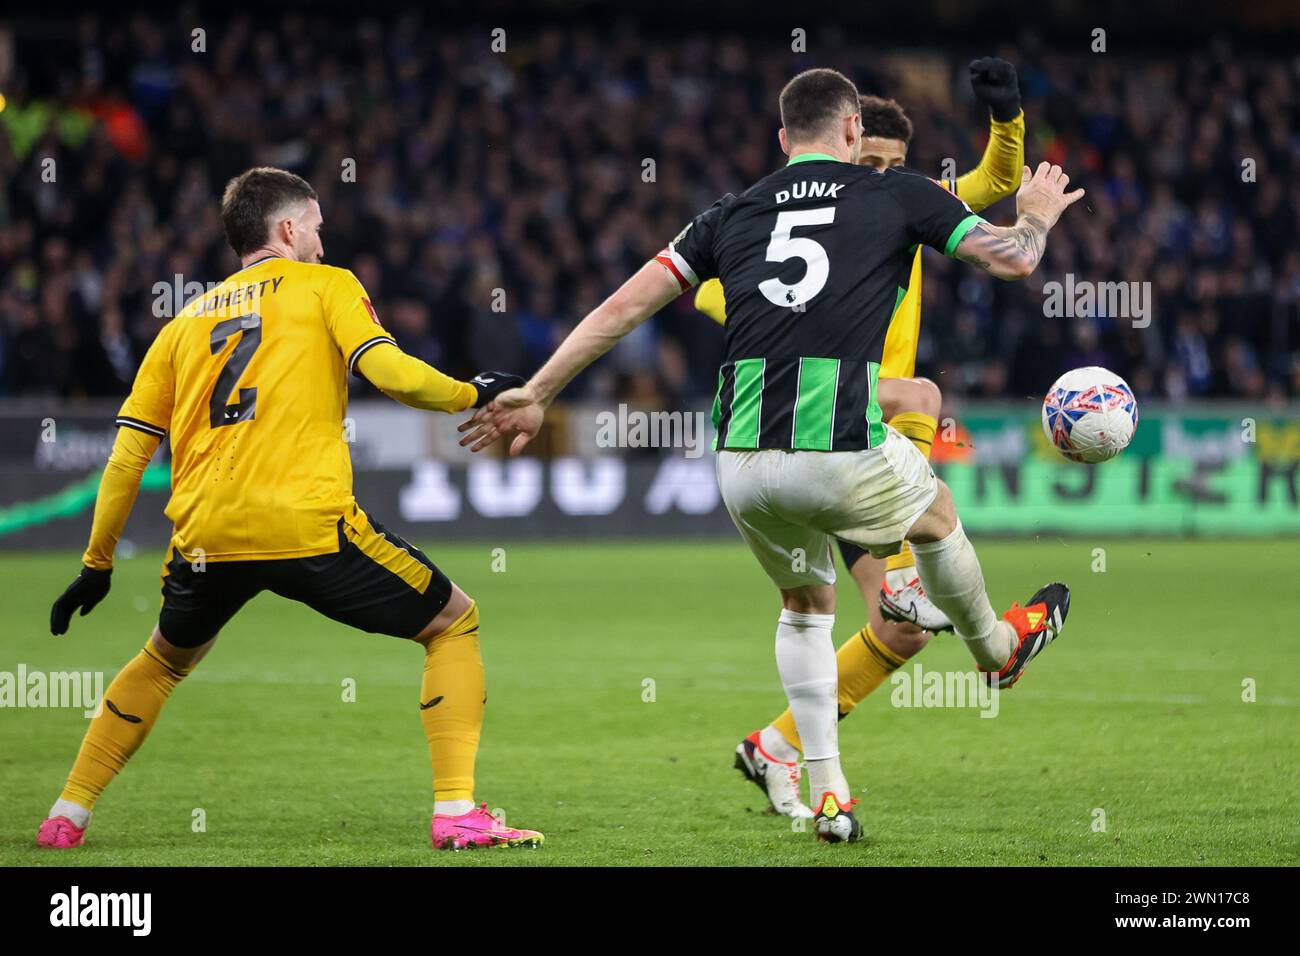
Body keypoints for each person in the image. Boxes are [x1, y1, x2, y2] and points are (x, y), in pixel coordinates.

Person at [459, 68, 1083, 843]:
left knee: (806, 610)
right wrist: (1034, 218)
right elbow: (1016, 261)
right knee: (936, 510)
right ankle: (996, 649)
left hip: (742, 464)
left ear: (783, 140)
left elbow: (623, 307)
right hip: (839, 447)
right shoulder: (895, 193)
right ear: (853, 132)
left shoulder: (731, 212)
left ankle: (830, 795)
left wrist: (541, 390)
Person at [39, 167, 541, 852]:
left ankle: (67, 815)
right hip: (306, 524)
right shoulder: (327, 286)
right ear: (287, 229)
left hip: (205, 534)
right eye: (317, 229)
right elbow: (390, 372)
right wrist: (471, 391)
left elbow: (127, 459)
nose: (322, 243)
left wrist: (97, 565)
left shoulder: (184, 322)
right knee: (455, 623)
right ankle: (455, 811)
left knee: (161, 660)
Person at [695, 60, 1030, 818]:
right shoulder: (789, 227)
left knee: (897, 631)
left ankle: (776, 747)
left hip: (863, 441)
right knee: (892, 605)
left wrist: (1006, 116)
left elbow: (992, 179)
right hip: (823, 421)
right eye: (867, 161)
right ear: (844, 147)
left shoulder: (907, 205)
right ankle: (935, 609)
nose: (876, 176)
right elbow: (715, 287)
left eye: (891, 167)